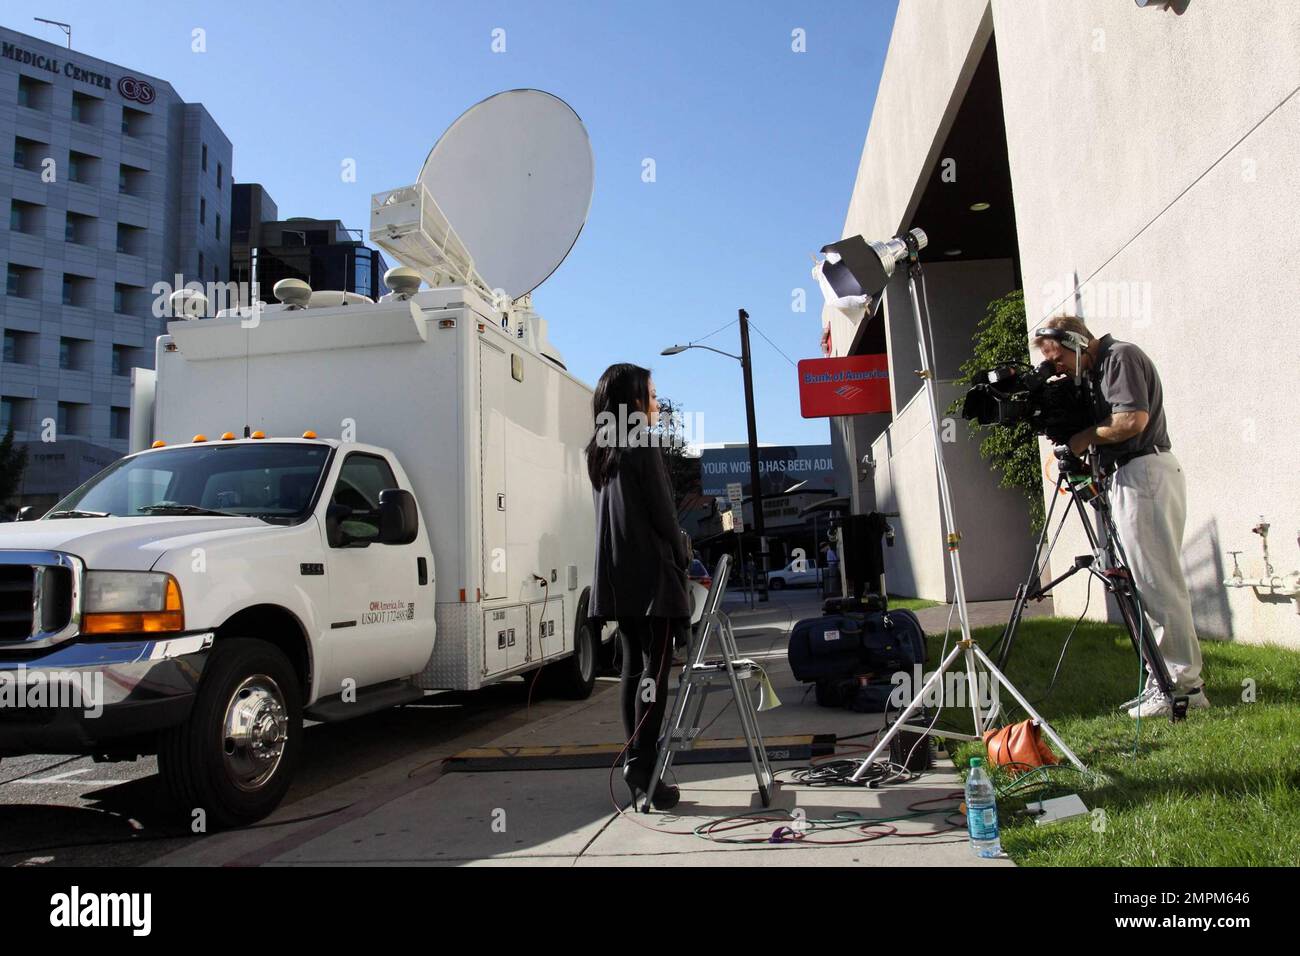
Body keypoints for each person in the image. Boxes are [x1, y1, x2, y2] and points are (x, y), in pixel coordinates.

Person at [1034, 315, 1207, 718]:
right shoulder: (1097, 371)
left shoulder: (1119, 357)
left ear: (1078, 340)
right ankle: (1164, 680)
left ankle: (1183, 687)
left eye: (1058, 357)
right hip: (1132, 475)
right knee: (1147, 586)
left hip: (1144, 472)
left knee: (1157, 584)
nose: (1056, 368)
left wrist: (1083, 438)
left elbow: (1132, 421)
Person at [586, 363, 690, 810]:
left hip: (617, 578)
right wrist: (683, 553)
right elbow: (664, 515)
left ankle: (636, 762)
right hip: (653, 581)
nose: (656, 402)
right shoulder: (643, 443)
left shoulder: (599, 449)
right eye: (650, 394)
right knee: (656, 672)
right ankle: (643, 763)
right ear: (633, 401)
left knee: (632, 670)